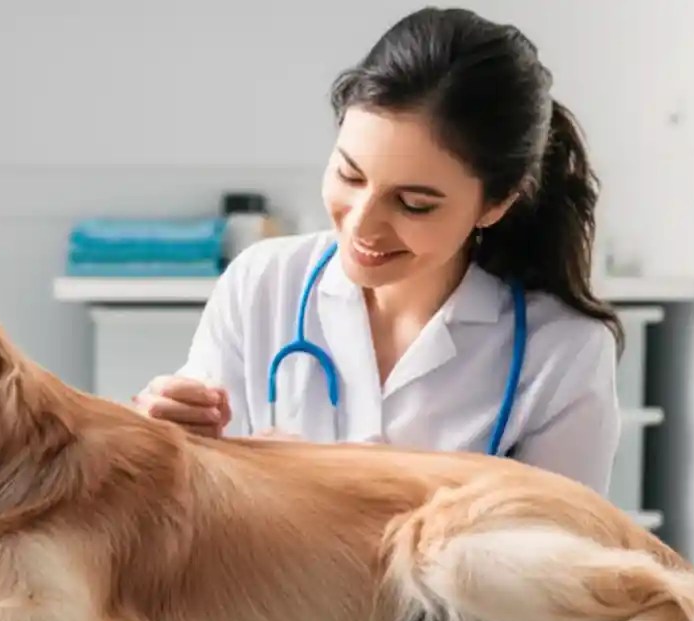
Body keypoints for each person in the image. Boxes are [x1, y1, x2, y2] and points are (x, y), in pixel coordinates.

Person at [133, 7, 623, 495]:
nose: (362, 224)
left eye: (413, 204)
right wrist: (158, 439)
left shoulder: (561, 350)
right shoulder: (262, 283)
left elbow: (559, 555)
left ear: (496, 204)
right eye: (350, 175)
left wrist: (330, 480)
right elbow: (192, 503)